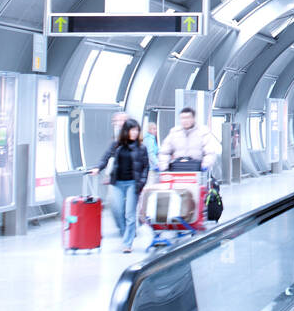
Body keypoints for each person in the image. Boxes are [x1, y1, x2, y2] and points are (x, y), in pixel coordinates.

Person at [91, 118, 149, 253]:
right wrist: (98, 168)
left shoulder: (141, 148)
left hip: (132, 184)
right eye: (132, 130)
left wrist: (141, 182)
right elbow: (105, 158)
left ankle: (127, 243)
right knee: (118, 210)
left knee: (130, 214)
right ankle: (126, 233)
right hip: (117, 183)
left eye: (136, 130)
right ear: (126, 131)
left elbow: (146, 167)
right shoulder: (116, 145)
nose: (134, 133)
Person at [159, 107, 221, 172]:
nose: (185, 120)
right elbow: (164, 152)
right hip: (177, 169)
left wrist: (205, 165)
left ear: (193, 118)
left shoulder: (203, 132)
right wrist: (164, 166)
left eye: (188, 118)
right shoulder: (174, 132)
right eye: (182, 118)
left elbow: (210, 152)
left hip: (196, 169)